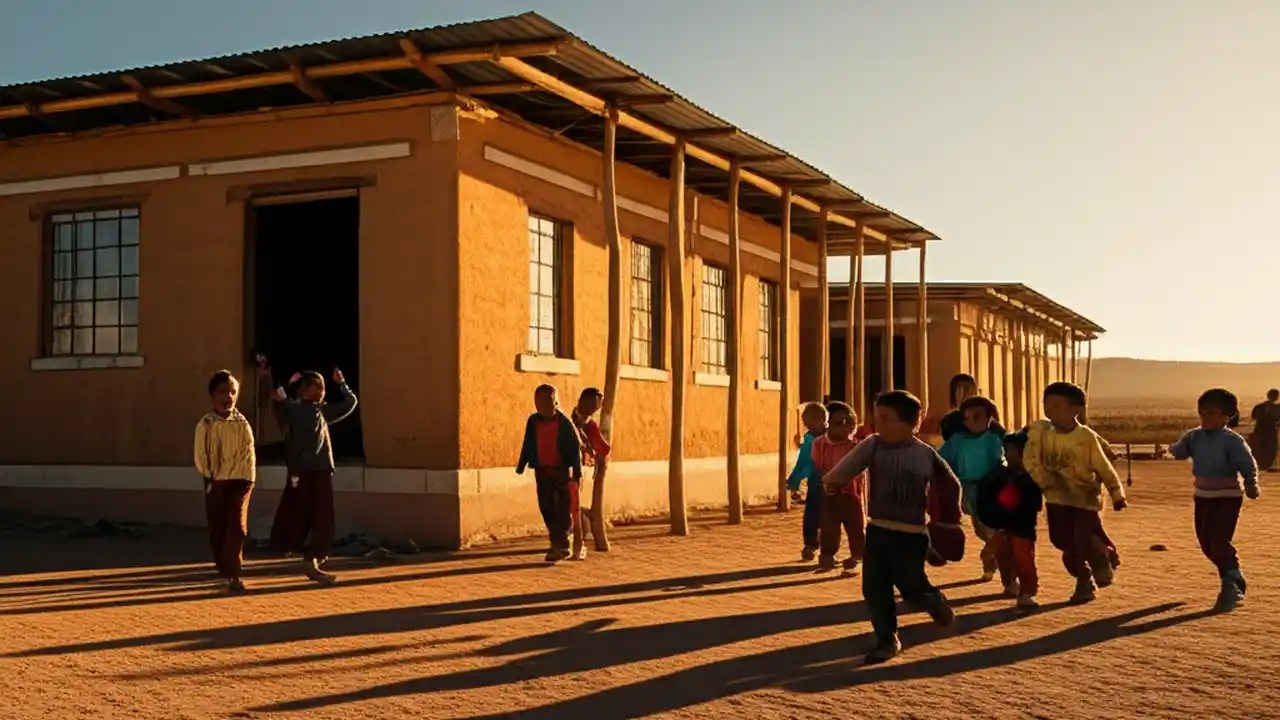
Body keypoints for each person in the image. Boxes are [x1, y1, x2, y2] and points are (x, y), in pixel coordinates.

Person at [822, 390, 964, 664]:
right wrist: (833, 481)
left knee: (911, 587)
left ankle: (934, 601)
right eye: (877, 417)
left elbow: (950, 485)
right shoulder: (872, 445)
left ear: (913, 423)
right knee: (874, 587)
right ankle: (887, 639)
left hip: (911, 535)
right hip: (877, 530)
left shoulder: (926, 454)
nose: (879, 424)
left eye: (887, 418)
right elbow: (849, 466)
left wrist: (946, 523)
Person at [1025, 381, 1125, 604]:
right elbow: (1030, 460)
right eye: (1046, 405)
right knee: (1060, 540)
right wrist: (1041, 479)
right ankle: (1101, 554)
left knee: (1080, 541)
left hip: (1084, 499)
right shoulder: (1042, 434)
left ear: (1075, 409)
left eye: (1056, 406)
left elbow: (1103, 466)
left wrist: (1116, 493)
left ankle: (1085, 581)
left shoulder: (1085, 437)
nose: (1049, 410)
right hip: (1055, 497)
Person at [1169, 388, 1260, 610]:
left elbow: (1248, 464)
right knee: (1206, 543)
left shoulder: (1232, 441)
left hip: (1227, 498)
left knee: (1219, 541)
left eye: (1212, 413)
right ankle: (1233, 576)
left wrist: (1251, 483)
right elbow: (1180, 452)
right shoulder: (1194, 436)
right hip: (1203, 497)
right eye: (1202, 414)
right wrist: (1175, 448)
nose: (1205, 418)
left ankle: (1231, 583)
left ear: (1227, 416)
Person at [270, 368, 358, 585]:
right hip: (302, 471)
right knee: (299, 513)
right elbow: (280, 399)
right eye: (315, 386)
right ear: (303, 390)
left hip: (321, 469)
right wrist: (294, 472)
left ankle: (314, 559)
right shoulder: (294, 409)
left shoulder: (323, 411)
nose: (320, 390)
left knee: (323, 517)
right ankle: (298, 552)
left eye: (322, 386)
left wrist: (342, 383)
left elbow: (350, 402)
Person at [194, 370, 256, 594]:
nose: (228, 397)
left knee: (238, 527)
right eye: (222, 392)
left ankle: (234, 573)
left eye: (232, 392)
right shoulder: (206, 424)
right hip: (215, 481)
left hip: (240, 481)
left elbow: (248, 454)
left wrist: (248, 479)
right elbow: (201, 454)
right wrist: (209, 477)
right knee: (218, 525)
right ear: (212, 395)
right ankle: (223, 568)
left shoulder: (242, 423)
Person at [939, 396, 1005, 582]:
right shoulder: (956, 441)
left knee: (994, 528)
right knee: (981, 529)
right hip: (968, 490)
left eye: (978, 416)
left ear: (989, 418)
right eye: (968, 418)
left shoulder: (994, 439)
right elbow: (942, 460)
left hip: (991, 488)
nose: (973, 421)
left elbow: (1004, 459)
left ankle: (993, 560)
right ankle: (993, 557)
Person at [517, 384, 584, 563]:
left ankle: (562, 545)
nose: (544, 407)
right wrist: (521, 464)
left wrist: (577, 472)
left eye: (548, 402)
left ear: (556, 402)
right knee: (546, 507)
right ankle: (558, 543)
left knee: (562, 508)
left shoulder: (564, 423)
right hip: (542, 470)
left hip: (561, 471)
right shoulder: (533, 422)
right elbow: (528, 443)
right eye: (539, 403)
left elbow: (574, 448)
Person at [977, 430, 1043, 610]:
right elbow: (985, 495)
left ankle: (1026, 593)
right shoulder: (998, 474)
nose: (1008, 454)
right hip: (1003, 525)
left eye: (1012, 451)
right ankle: (1010, 584)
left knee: (1024, 560)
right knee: (1004, 557)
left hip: (1022, 526)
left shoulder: (1032, 476)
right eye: (1007, 451)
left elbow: (1034, 503)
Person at [810, 401, 865, 573]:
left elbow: (860, 469)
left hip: (851, 495)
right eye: (838, 422)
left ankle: (857, 556)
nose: (845, 427)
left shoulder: (856, 446)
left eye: (849, 422)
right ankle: (827, 555)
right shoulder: (819, 444)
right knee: (828, 527)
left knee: (856, 527)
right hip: (829, 494)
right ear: (826, 424)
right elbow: (818, 465)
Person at [571, 387, 611, 561]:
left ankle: (579, 533)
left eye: (598, 404)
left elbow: (601, 446)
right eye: (593, 403)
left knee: (574, 502)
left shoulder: (591, 425)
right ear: (582, 401)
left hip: (581, 468)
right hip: (565, 466)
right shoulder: (569, 420)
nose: (596, 407)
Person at [787, 402, 829, 562]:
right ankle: (811, 545)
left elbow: (804, 462)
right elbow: (803, 462)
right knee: (813, 515)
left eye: (807, 422)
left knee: (824, 517)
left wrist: (794, 479)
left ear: (820, 420)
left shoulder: (824, 438)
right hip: (817, 483)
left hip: (828, 483)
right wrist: (794, 480)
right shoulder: (812, 438)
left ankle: (824, 548)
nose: (805, 425)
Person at [939, 374, 1007, 441]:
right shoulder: (949, 421)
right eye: (962, 390)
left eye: (970, 389)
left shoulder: (988, 411)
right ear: (954, 395)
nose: (967, 394)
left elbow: (1002, 436)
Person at [1248, 389, 1279, 472]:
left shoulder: (1259, 407)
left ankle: (1262, 465)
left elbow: (1253, 417)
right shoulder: (1277, 408)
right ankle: (1264, 465)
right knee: (1269, 449)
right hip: (1269, 430)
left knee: (1262, 448)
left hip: (1261, 430)